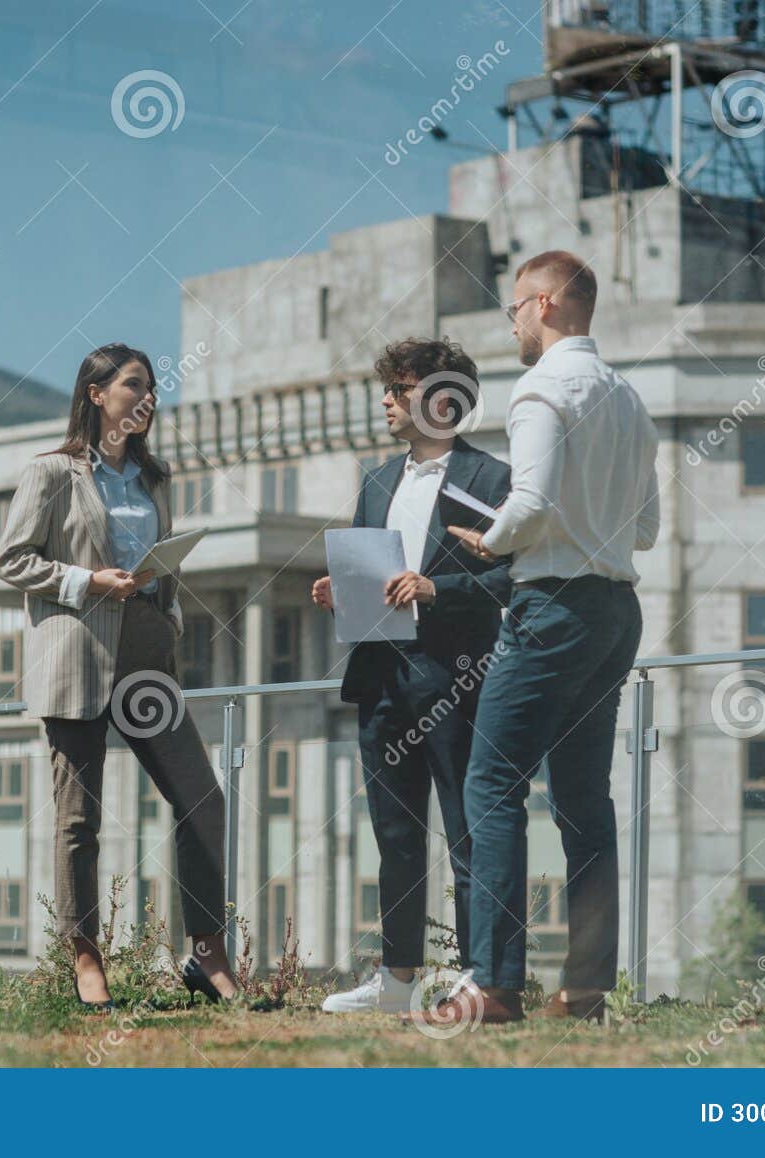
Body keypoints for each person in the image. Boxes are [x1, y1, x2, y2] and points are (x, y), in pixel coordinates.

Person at [412, 250, 660, 1028]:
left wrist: (489, 540)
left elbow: (530, 502)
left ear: (546, 304)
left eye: (515, 307)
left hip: (550, 607)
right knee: (585, 798)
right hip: (615, 611)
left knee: (491, 784)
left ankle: (493, 985)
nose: (512, 322)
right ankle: (584, 990)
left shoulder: (540, 389)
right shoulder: (629, 399)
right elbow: (647, 528)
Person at [0, 342, 237, 1009]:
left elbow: (159, 562)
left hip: (147, 655)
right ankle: (85, 959)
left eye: (152, 387)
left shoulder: (155, 477)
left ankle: (207, 956)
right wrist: (86, 581)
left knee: (202, 799)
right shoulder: (52, 473)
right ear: (96, 394)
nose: (147, 397)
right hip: (76, 656)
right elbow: (13, 561)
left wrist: (167, 611)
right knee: (79, 819)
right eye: (133, 385)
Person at [312, 338, 511, 1014]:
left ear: (442, 400)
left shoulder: (492, 479)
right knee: (394, 837)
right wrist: (341, 590)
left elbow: (514, 579)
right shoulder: (375, 481)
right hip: (382, 679)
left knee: (467, 833)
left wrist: (437, 589)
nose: (386, 402)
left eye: (399, 390)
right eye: (388, 390)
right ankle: (397, 982)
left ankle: (478, 978)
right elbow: (371, 571)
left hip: (457, 679)